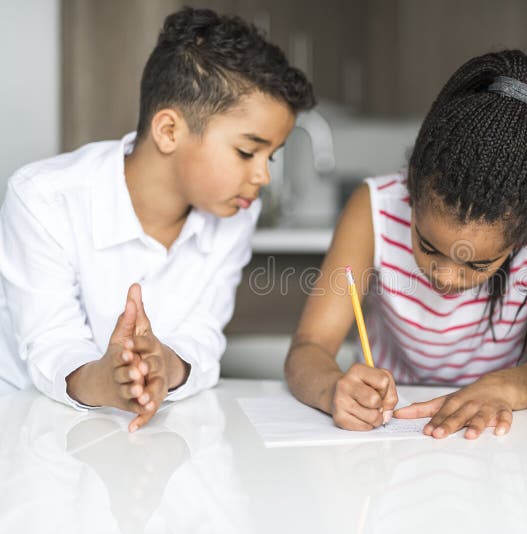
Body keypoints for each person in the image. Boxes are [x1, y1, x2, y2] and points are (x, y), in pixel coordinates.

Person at [0, 7, 314, 431]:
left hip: (153, 435)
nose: (263, 176)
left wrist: (167, 364)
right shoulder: (43, 198)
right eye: (246, 152)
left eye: (270, 157)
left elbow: (203, 333)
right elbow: (50, 341)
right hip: (32, 429)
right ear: (168, 131)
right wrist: (107, 379)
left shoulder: (237, 214)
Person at [285, 50, 527, 438]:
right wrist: (331, 388)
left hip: (501, 436)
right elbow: (308, 348)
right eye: (428, 247)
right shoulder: (373, 207)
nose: (445, 276)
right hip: (390, 432)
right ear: (412, 187)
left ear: (525, 231)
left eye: (477, 265)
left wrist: (502, 388)